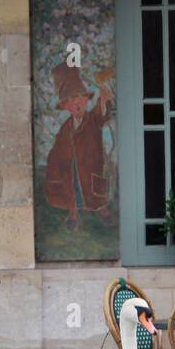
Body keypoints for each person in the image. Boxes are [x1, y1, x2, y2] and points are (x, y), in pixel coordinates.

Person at [44, 63, 113, 229]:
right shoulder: (66, 127)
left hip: (90, 165)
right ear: (66, 107)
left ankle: (101, 209)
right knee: (72, 188)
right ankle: (73, 212)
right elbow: (57, 150)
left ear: (85, 99)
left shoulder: (92, 120)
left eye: (79, 99)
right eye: (70, 101)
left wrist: (103, 101)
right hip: (71, 167)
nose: (76, 104)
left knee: (94, 192)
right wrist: (55, 163)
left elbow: (101, 115)